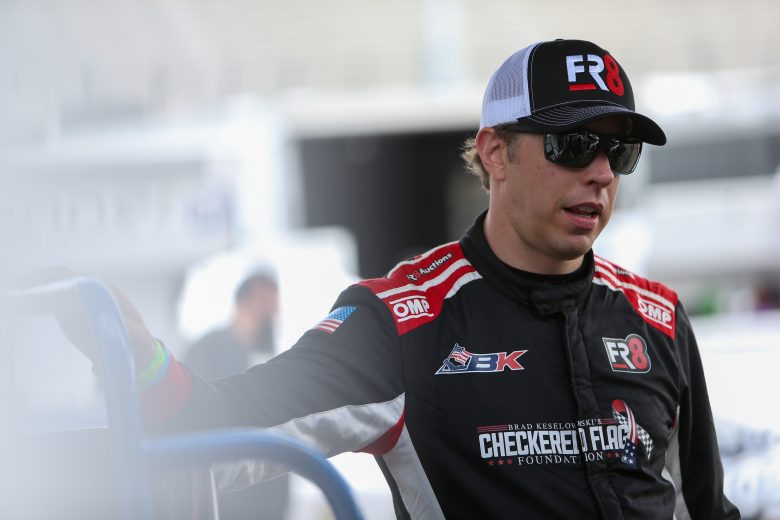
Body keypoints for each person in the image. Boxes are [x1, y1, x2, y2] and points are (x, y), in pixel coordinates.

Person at [56, 39, 740, 519]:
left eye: (618, 151)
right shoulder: (402, 320)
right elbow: (213, 433)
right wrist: (138, 358)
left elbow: (706, 509)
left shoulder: (657, 317)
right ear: (495, 152)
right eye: (572, 145)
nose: (599, 172)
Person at [183, 272, 290, 520]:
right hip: (226, 498)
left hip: (267, 502)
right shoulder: (208, 350)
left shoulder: (268, 359)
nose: (274, 315)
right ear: (250, 299)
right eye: (269, 306)